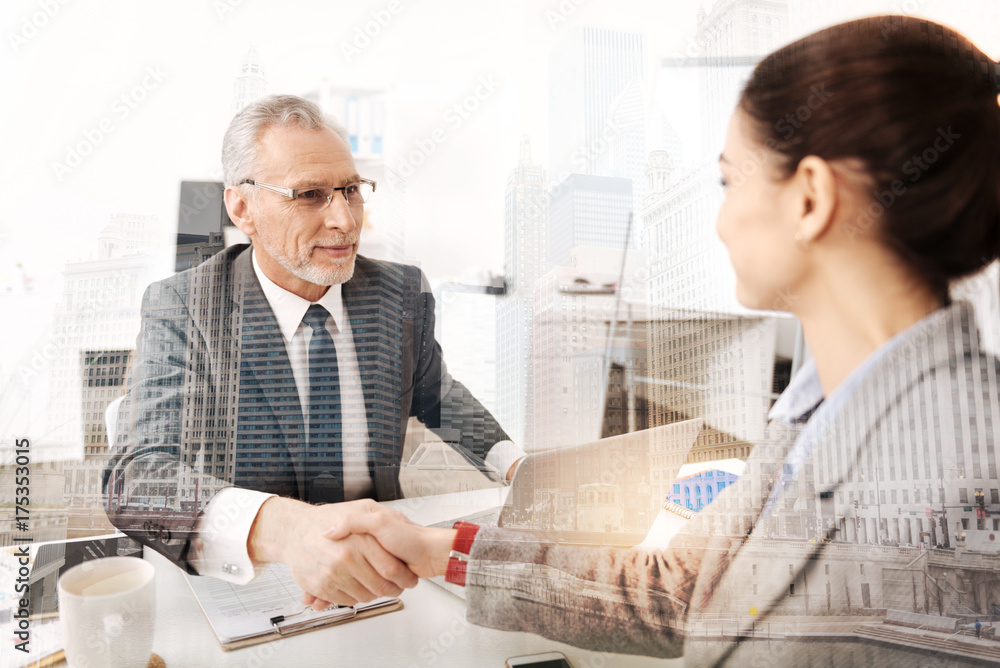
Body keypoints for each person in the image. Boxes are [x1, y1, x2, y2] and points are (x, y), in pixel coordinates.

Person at [325, 15, 1000, 665]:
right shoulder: (820, 404)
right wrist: (435, 549)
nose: (721, 222)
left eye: (731, 181)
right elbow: (680, 592)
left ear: (810, 199)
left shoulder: (967, 468)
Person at [104, 94, 524, 606]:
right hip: (254, 577)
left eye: (350, 190)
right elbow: (136, 478)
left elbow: (437, 396)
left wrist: (518, 466)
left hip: (384, 574)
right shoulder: (184, 306)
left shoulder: (399, 293)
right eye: (310, 195)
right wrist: (287, 531)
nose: (345, 221)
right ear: (243, 208)